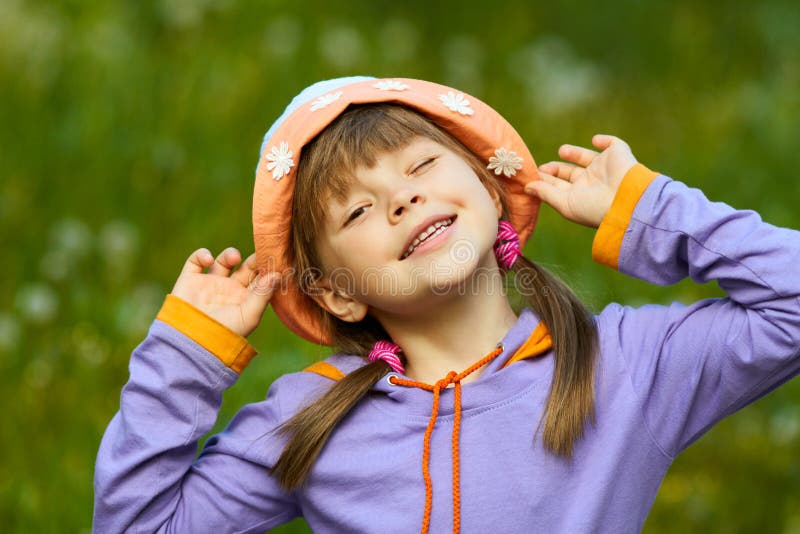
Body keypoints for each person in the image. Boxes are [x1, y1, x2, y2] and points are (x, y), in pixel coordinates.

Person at [92, 76, 800, 533]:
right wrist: (184, 357)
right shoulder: (309, 422)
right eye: (359, 210)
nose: (403, 198)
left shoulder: (625, 367)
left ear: (493, 193)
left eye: (423, 165)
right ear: (337, 294)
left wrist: (650, 211)